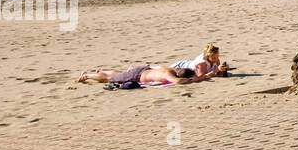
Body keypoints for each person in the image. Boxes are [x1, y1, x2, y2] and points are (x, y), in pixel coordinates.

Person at [77, 64, 210, 86]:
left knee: (119, 74)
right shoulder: (168, 73)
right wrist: (193, 80)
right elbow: (177, 82)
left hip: (143, 68)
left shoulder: (169, 68)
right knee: (110, 79)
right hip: (138, 74)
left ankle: (101, 71)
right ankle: (87, 76)